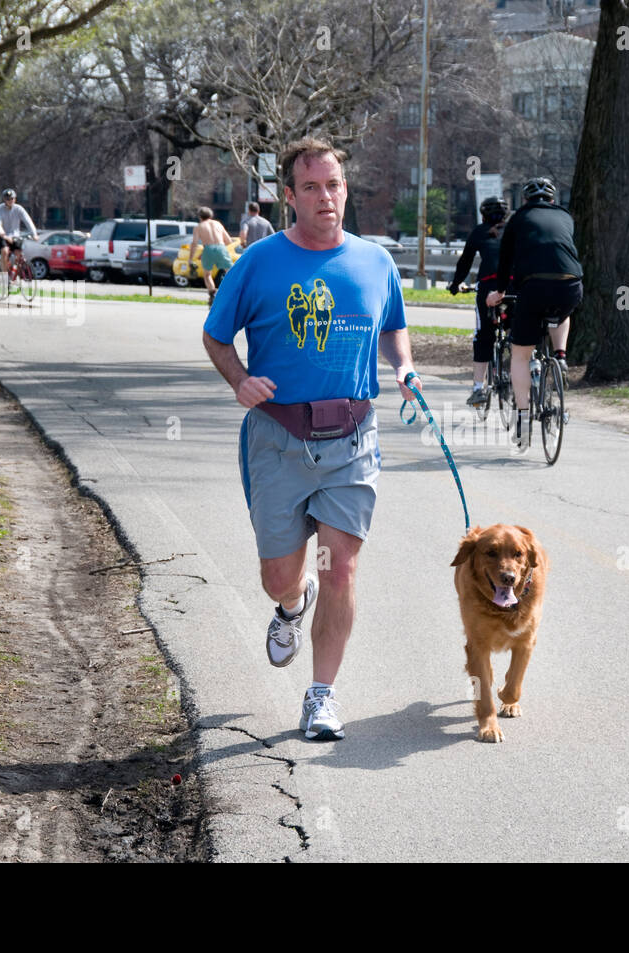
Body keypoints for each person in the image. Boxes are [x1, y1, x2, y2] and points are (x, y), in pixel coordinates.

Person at [201, 137, 419, 741]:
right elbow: (216, 337)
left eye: (335, 185)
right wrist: (240, 380)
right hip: (278, 436)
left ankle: (321, 697)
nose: (327, 197)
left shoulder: (376, 262)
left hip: (352, 438)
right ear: (289, 197)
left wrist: (403, 369)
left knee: (343, 568)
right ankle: (292, 605)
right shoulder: (259, 262)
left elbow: (395, 328)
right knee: (279, 577)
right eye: (313, 188)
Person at [485, 177, 582, 452]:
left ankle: (524, 415)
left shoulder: (519, 219)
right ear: (552, 200)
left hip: (534, 285)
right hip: (571, 283)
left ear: (525, 200)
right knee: (562, 313)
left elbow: (506, 259)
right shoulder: (566, 216)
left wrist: (501, 291)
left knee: (520, 354)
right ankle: (560, 355)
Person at [449, 196, 509, 406]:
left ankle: (477, 388)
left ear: (483, 215)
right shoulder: (514, 230)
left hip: (488, 288)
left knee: (483, 336)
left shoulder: (479, 232)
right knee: (518, 331)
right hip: (513, 286)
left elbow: (465, 262)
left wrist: (455, 285)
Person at [190, 207, 234, 305]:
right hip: (221, 247)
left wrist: (191, 258)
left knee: (207, 274)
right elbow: (228, 240)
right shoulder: (218, 224)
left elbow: (195, 243)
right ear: (211, 215)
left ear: (200, 216)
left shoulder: (199, 226)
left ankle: (212, 294)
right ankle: (232, 292)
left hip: (208, 248)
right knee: (230, 272)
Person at [0, 188, 39, 278]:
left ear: (15, 199)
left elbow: (28, 221)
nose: (10, 201)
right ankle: (4, 277)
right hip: (4, 236)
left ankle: (14, 274)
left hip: (15, 236)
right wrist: (4, 236)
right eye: (8, 199)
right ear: (4, 200)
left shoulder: (19, 209)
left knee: (19, 255)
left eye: (12, 199)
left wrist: (34, 234)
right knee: (5, 252)